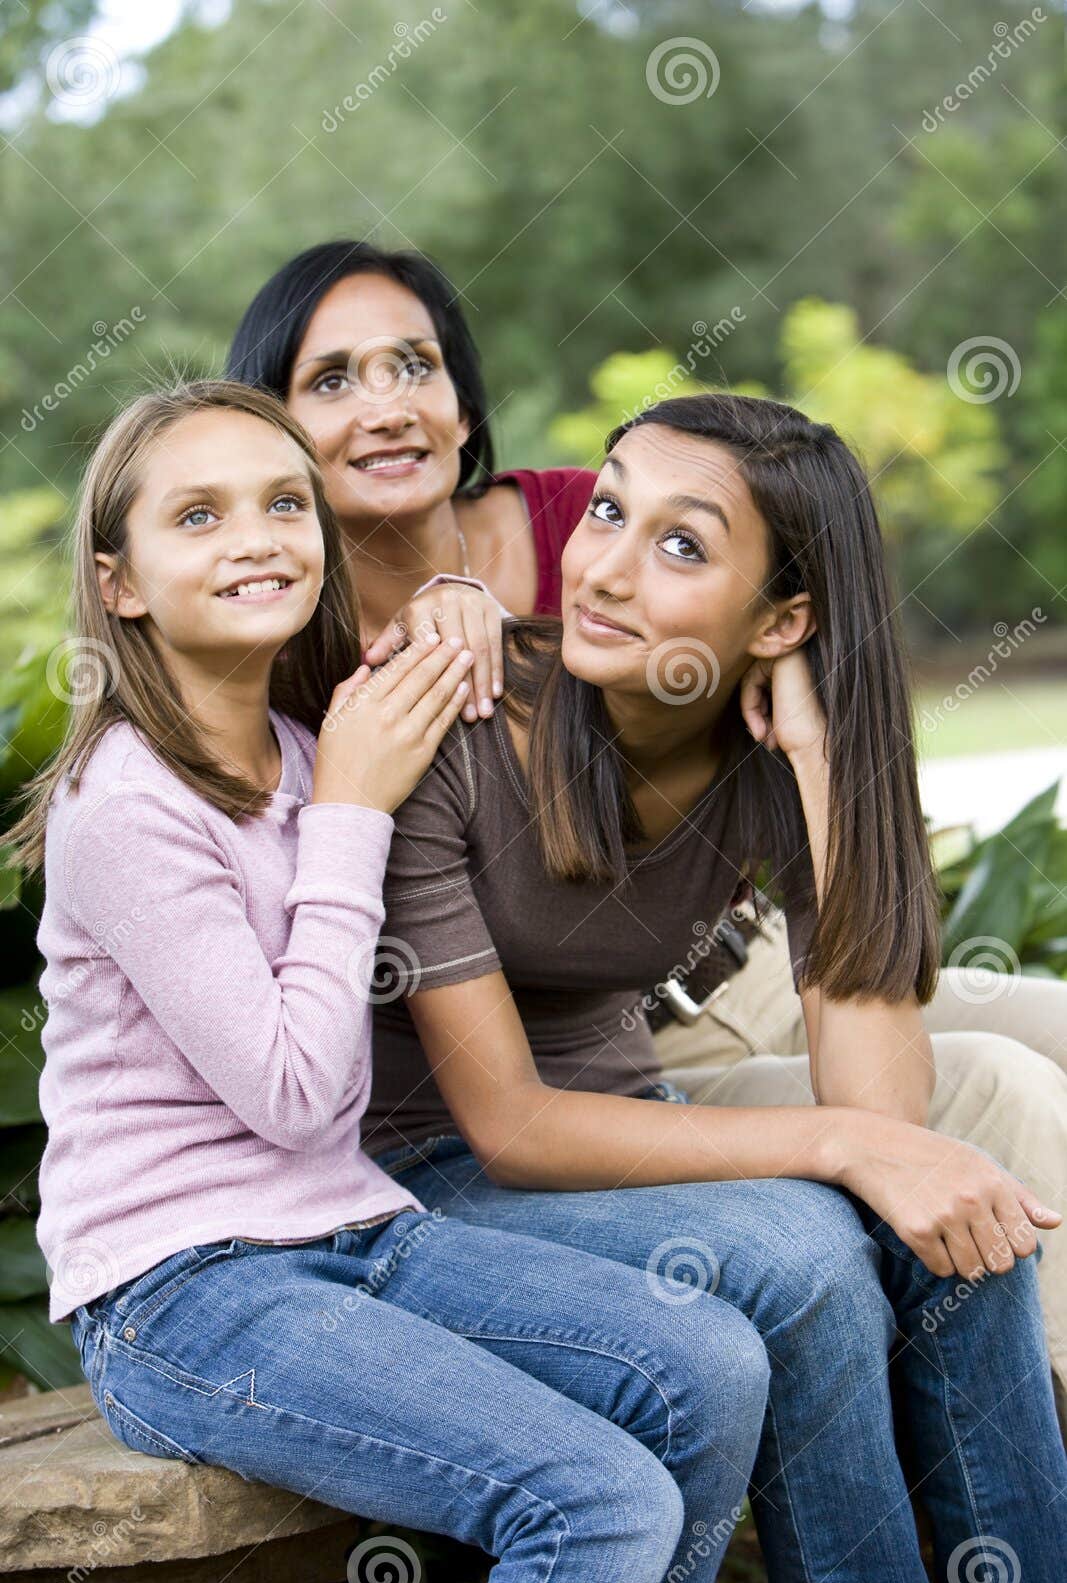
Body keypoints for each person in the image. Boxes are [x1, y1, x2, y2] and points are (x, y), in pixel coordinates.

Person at [228, 241, 1067, 1409]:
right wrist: (444, 620)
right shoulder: (276, 622)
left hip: (731, 961)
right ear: (266, 430)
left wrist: (815, 739)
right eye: (330, 381)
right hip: (556, 1044)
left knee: (1035, 1054)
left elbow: (734, 557)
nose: (383, 406)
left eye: (412, 364)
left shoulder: (583, 517)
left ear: (465, 403)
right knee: (988, 1100)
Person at [7, 379, 773, 1583]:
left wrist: (459, 599)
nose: (254, 536)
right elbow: (300, 1097)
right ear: (120, 584)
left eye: (279, 503)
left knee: (710, 1367)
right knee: (599, 1502)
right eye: (197, 517)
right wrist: (354, 813)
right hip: (179, 1289)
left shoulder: (322, 748)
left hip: (356, 1229)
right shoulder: (129, 804)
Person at [361, 393, 1067, 1583]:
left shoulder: (762, 757)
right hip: (416, 1174)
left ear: (785, 616)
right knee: (808, 1259)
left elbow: (882, 1105)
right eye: (608, 510)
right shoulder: (457, 722)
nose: (607, 570)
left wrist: (819, 763)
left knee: (965, 1221)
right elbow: (508, 1126)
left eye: (680, 545)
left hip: (622, 1144)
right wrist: (848, 1148)